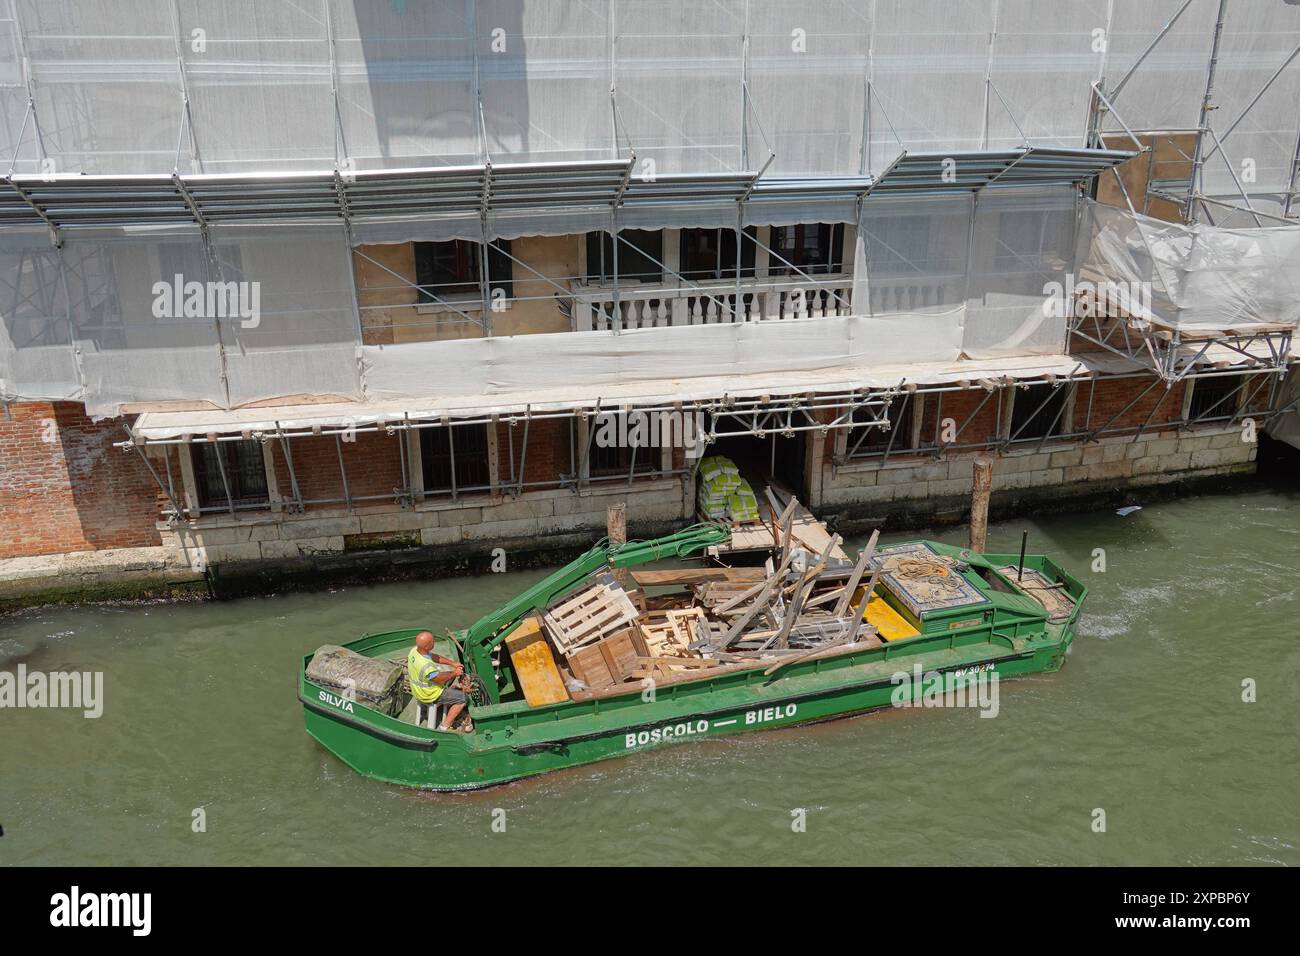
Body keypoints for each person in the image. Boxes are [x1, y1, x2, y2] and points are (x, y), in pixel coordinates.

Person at [407, 631, 471, 732]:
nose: (434, 642)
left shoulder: (415, 650)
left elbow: (434, 657)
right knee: (463, 698)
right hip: (429, 694)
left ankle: (449, 698)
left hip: (418, 689)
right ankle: (445, 725)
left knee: (450, 674)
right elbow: (440, 679)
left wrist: (453, 663)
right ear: (427, 646)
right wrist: (455, 673)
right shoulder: (426, 666)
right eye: (432, 641)